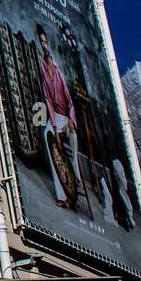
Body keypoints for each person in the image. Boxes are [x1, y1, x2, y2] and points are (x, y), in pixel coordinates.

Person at [37, 24, 80, 208]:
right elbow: (47, 99)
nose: (44, 46)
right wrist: (54, 128)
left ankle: (76, 177)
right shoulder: (42, 70)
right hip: (55, 117)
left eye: (45, 42)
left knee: (74, 140)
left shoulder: (58, 71)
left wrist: (71, 119)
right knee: (49, 140)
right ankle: (62, 195)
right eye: (41, 43)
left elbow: (69, 100)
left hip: (66, 117)